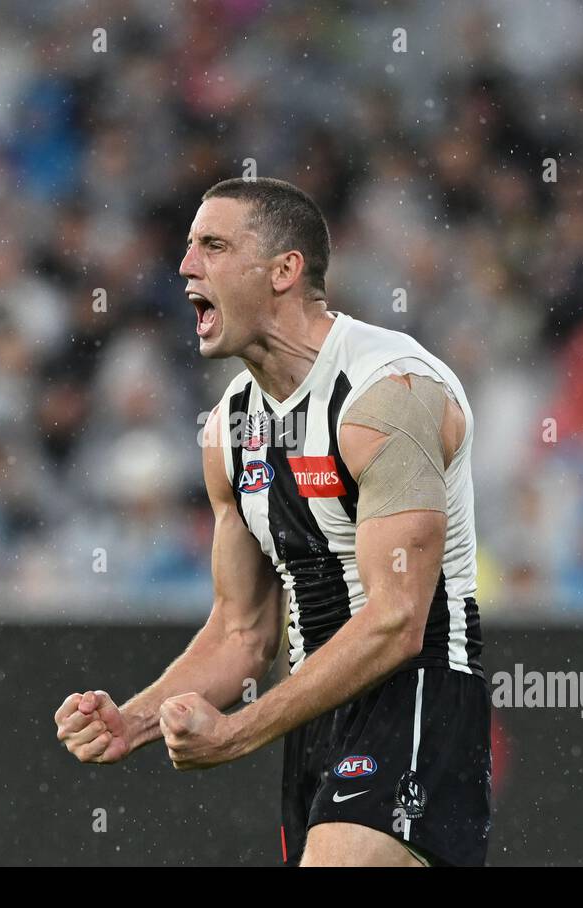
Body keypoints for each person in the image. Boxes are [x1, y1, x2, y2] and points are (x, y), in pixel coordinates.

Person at [53, 178, 489, 866]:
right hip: (313, 721)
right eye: (190, 246)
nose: (186, 265)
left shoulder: (389, 394)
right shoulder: (229, 431)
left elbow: (398, 621)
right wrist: (131, 723)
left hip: (419, 695)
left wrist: (235, 733)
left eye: (214, 246)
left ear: (286, 270)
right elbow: (242, 632)